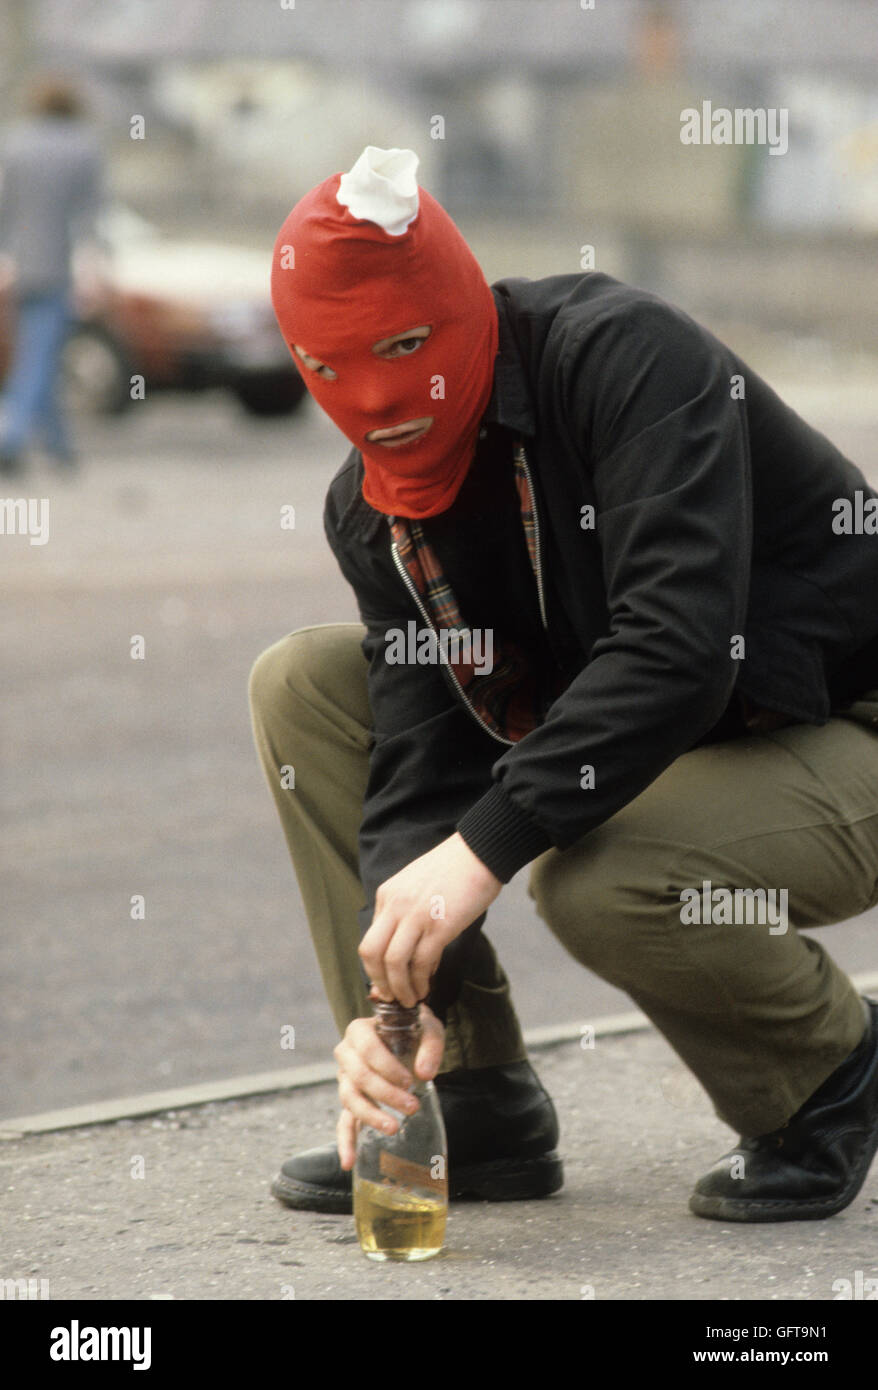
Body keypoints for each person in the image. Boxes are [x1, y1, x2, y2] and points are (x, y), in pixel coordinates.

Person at [250, 145, 878, 1223]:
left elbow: (680, 645)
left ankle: (821, 1082)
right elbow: (420, 756)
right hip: (663, 740)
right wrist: (400, 1002)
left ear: (454, 307)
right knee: (302, 683)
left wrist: (484, 848)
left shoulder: (623, 358)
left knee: (597, 880)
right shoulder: (372, 507)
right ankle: (464, 1097)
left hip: (832, 722)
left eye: (405, 345)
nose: (381, 396)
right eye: (332, 364)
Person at [0, 75, 104, 476]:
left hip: (21, 265)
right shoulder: (83, 148)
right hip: (59, 266)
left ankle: (60, 447)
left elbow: (5, 207)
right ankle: (11, 439)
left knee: (41, 352)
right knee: (40, 356)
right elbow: (89, 216)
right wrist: (91, 269)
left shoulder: (16, 144)